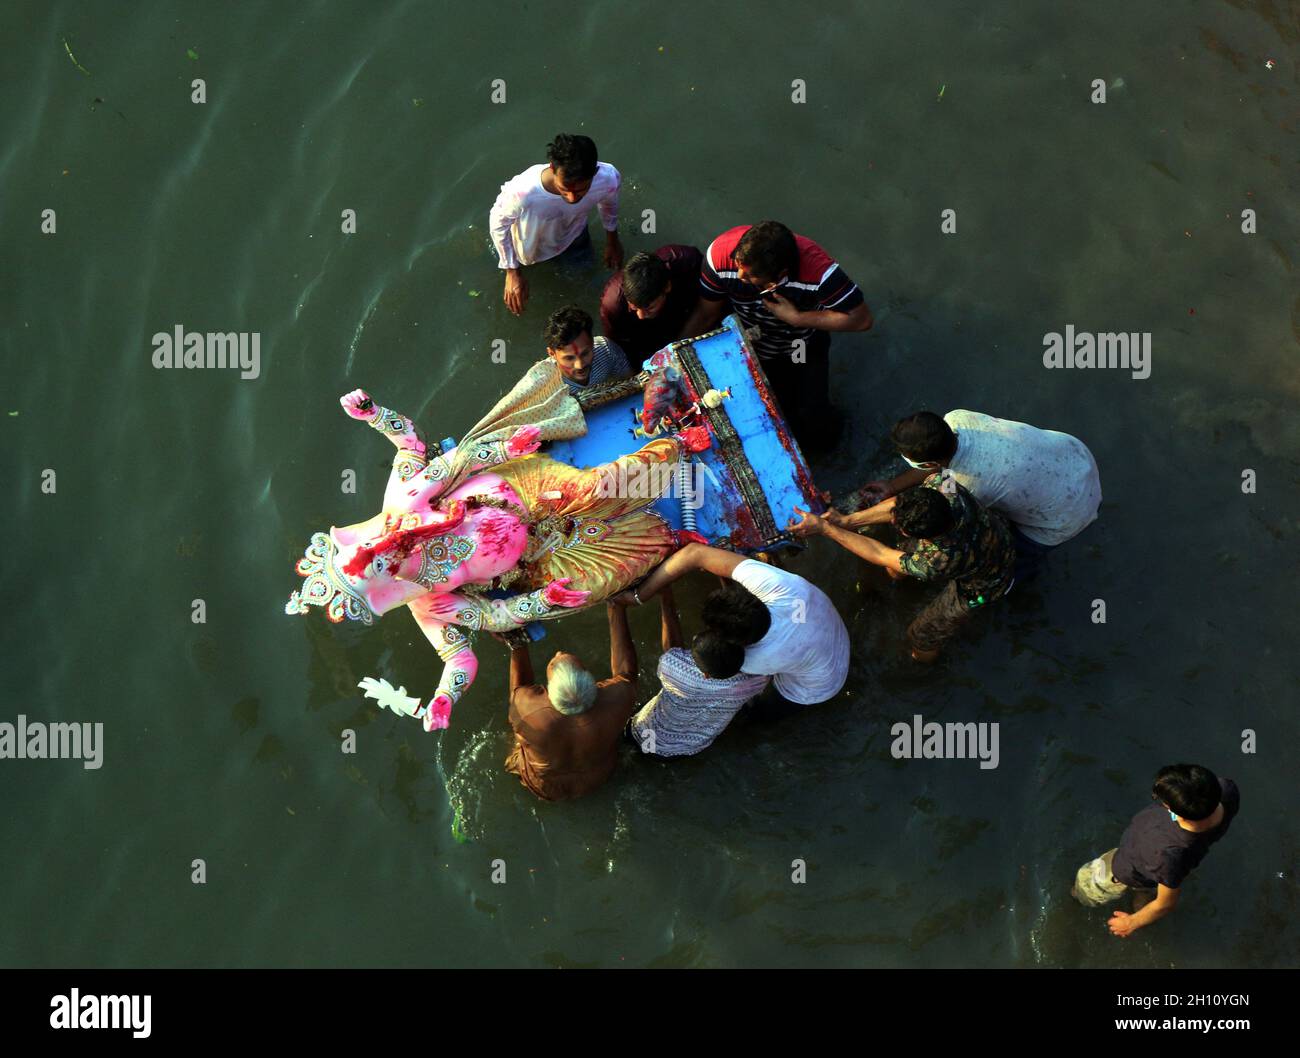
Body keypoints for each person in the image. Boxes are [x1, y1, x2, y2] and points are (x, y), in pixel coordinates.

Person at [285, 367, 699, 729]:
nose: (379, 550)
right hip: (534, 560)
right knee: (595, 582)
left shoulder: (404, 502)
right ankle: (665, 539)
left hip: (528, 489)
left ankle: (676, 450)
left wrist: (373, 414)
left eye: (369, 550)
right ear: (383, 586)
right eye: (376, 566)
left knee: (599, 487)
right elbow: (475, 638)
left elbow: (418, 448)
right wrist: (447, 697)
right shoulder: (429, 605)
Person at [680, 220, 872, 451]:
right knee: (762, 404)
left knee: (813, 416)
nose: (740, 275)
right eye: (738, 266)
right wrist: (674, 356)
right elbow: (706, 314)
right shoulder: (720, 257)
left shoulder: (819, 273)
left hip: (802, 344)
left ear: (779, 275)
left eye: (750, 276)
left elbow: (861, 319)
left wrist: (797, 318)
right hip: (751, 342)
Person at [790, 473, 1015, 663]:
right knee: (897, 566)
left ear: (909, 532)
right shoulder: (946, 485)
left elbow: (880, 554)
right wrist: (848, 521)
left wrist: (826, 529)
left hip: (986, 582)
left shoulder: (934, 561)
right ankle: (898, 582)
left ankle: (922, 666)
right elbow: (899, 504)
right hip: (996, 534)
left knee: (922, 635)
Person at [849, 410, 1101, 578]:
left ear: (925, 465)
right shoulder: (959, 419)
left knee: (1003, 564)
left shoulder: (968, 486)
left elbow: (943, 485)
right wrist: (892, 486)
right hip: (1076, 457)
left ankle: (1008, 583)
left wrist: (849, 521)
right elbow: (943, 465)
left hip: (1065, 517)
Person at [621, 542, 850, 717]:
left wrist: (639, 597)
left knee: (756, 714)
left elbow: (715, 669)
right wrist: (638, 597)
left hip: (817, 687)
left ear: (739, 645)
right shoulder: (779, 585)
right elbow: (695, 552)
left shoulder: (758, 661)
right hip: (832, 641)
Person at [1071, 764, 1240, 938]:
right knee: (1146, 888)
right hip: (1152, 874)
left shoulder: (1167, 852)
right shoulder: (1228, 791)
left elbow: (1166, 903)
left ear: (1176, 811)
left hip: (1124, 872)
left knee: (1081, 890)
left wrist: (1131, 922)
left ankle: (1075, 899)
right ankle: (1143, 901)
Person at [505, 604, 642, 800]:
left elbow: (519, 689)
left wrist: (516, 637)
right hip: (598, 778)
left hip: (543, 786)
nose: (559, 652)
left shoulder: (530, 709)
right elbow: (627, 672)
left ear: (548, 693)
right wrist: (617, 607)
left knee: (518, 734)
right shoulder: (618, 699)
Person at [624, 586, 770, 756]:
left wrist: (666, 598)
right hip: (689, 748)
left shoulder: (673, 668)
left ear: (706, 674)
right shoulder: (756, 681)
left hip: (641, 735)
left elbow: (672, 649)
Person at [489, 132, 624, 316]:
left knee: (584, 283)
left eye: (581, 190)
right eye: (565, 189)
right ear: (552, 168)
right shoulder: (523, 193)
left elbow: (609, 203)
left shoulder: (607, 178)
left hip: (575, 239)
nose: (572, 198)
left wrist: (612, 240)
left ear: (594, 173)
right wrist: (511, 271)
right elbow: (498, 223)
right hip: (530, 250)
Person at [599, 245, 703, 361]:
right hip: (640, 334)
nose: (641, 316)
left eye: (649, 307)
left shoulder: (687, 262)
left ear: (667, 287)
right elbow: (617, 348)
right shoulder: (612, 306)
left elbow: (707, 302)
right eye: (634, 307)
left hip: (678, 312)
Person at [543, 305, 631, 392]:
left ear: (592, 343)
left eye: (585, 353)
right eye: (569, 358)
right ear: (552, 354)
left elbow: (630, 382)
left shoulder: (607, 350)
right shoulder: (543, 387)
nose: (580, 365)